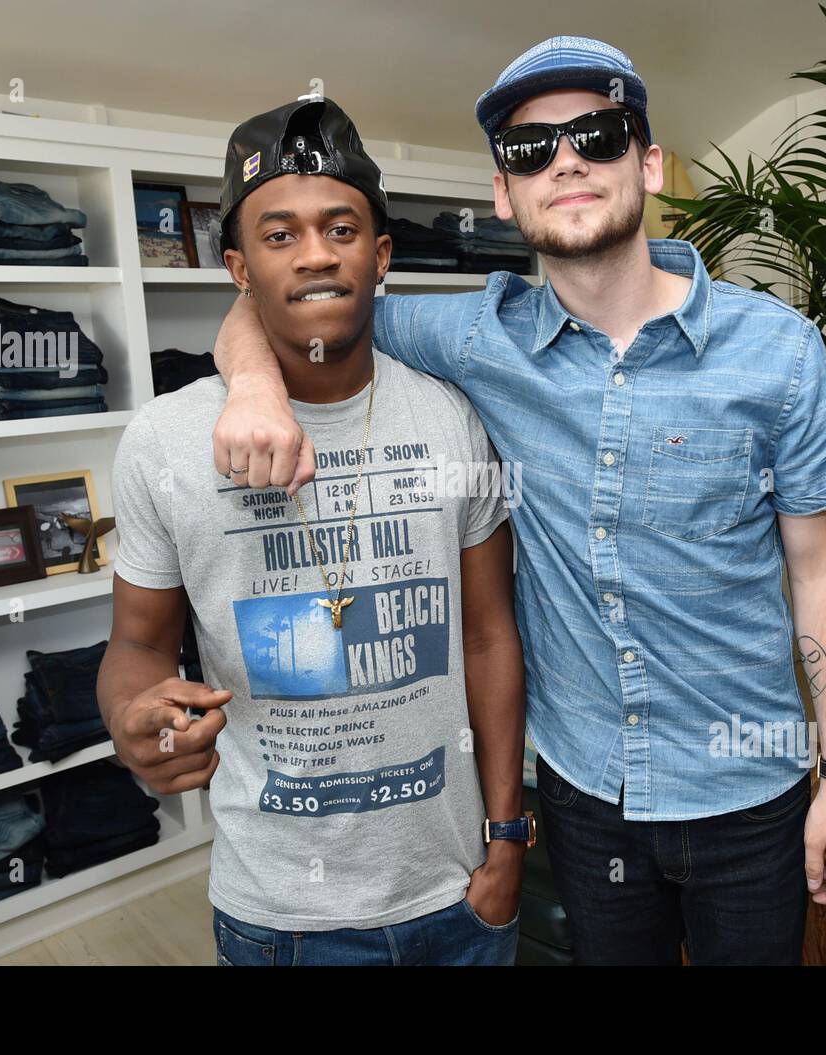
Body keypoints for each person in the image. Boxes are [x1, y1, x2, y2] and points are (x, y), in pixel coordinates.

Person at [208, 38, 826, 967]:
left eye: (597, 136)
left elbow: (823, 567)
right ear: (504, 193)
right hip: (584, 794)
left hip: (749, 793)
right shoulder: (482, 337)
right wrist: (251, 390)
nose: (565, 160)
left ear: (645, 165)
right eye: (530, 150)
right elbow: (294, 298)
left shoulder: (780, 352)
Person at [98, 97, 529, 966]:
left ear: (380, 256)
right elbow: (136, 646)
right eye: (279, 234)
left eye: (340, 227)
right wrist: (131, 716)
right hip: (281, 913)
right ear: (238, 267)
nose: (317, 254)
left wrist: (508, 835)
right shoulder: (165, 441)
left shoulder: (454, 417)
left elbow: (488, 635)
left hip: (457, 890)